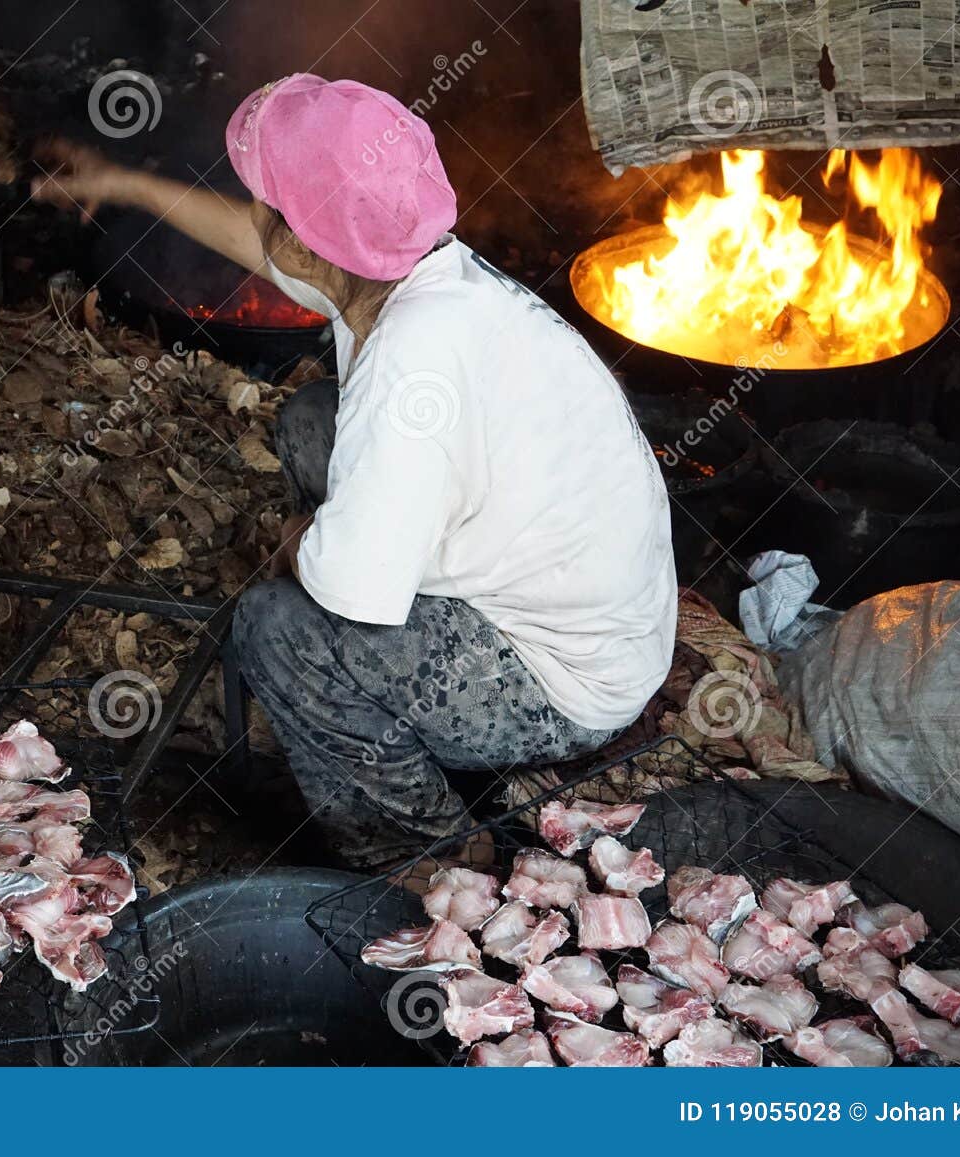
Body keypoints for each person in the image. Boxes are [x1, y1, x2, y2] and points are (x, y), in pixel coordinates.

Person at [33, 74, 676, 872]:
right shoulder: (414, 267)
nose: (258, 214)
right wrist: (123, 181)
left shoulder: (411, 364)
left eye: (271, 203)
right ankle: (398, 714)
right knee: (311, 423)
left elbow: (343, 584)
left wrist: (303, 543)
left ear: (308, 240)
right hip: (570, 590)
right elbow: (256, 242)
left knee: (277, 629)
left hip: (566, 681)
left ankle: (428, 851)